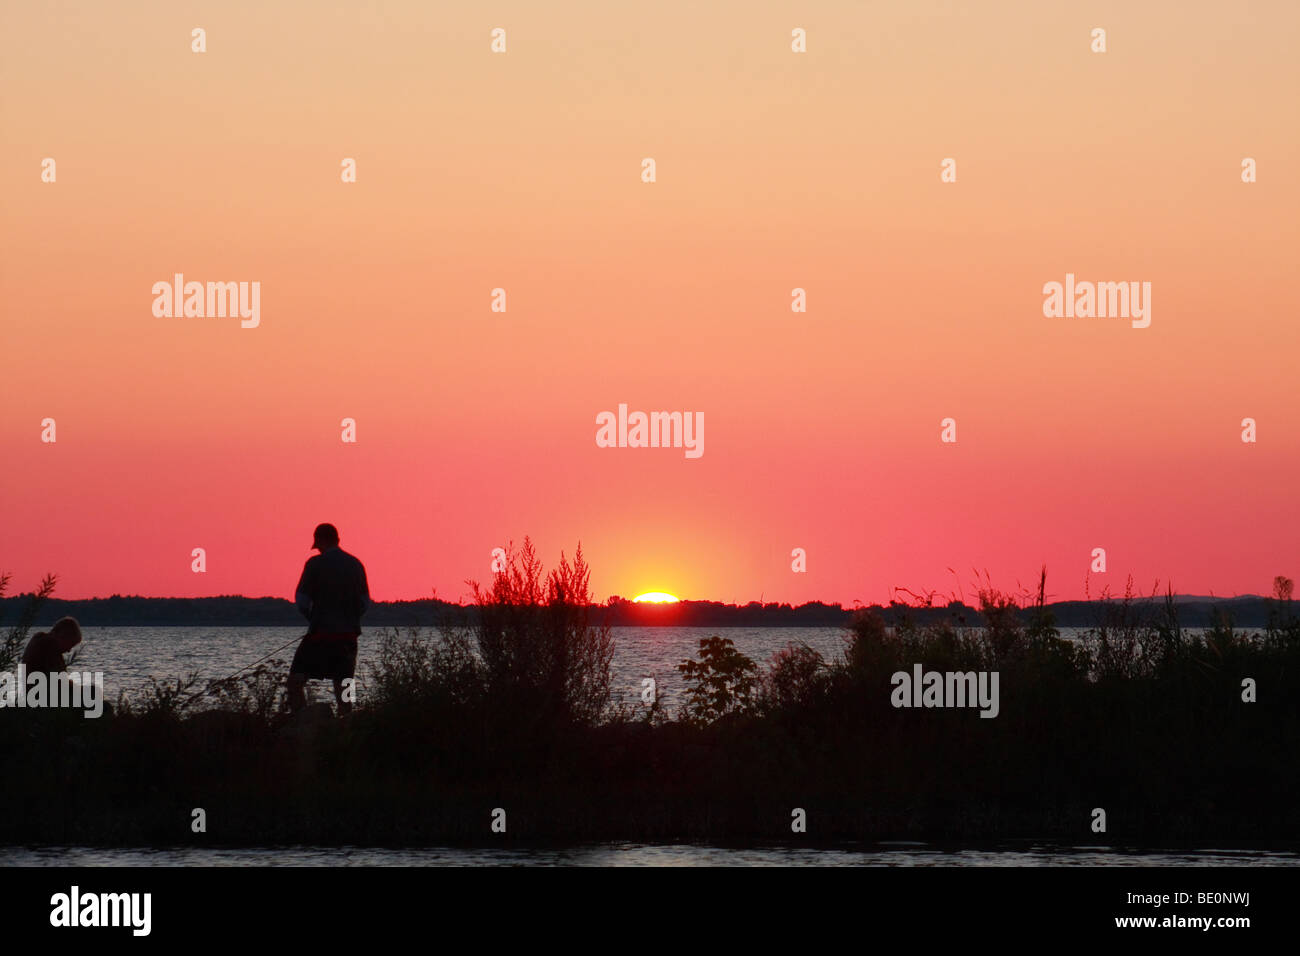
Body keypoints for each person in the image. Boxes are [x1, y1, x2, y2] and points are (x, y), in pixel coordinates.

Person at [288, 523, 370, 714]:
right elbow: (365, 603)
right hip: (348, 638)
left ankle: (300, 721)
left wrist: (312, 618)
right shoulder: (355, 564)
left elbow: (301, 601)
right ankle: (346, 722)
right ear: (337, 540)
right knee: (345, 683)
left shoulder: (314, 564)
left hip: (319, 636)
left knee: (295, 681)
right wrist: (350, 619)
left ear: (320, 541)